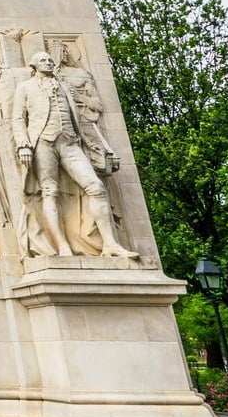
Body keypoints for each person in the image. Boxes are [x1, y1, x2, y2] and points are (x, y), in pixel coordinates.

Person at [9, 47, 138, 260]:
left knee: (95, 187)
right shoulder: (25, 87)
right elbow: (17, 119)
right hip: (42, 142)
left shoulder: (64, 87)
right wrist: (23, 144)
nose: (48, 63)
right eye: (43, 60)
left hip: (70, 142)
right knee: (50, 192)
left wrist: (102, 147)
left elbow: (84, 121)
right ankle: (62, 246)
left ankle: (110, 244)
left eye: (50, 60)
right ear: (34, 66)